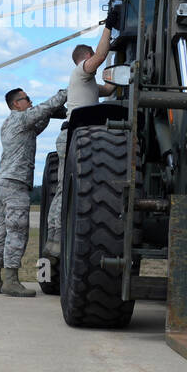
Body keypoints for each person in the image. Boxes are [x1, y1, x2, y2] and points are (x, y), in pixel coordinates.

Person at [43, 17, 118, 259]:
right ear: (86, 57)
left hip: (82, 137)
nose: (97, 54)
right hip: (72, 135)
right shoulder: (81, 71)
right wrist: (108, 28)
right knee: (64, 188)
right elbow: (99, 59)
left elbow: (110, 88)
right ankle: (54, 237)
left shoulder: (88, 83)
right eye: (93, 54)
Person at [0, 87, 66, 297]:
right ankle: (11, 281)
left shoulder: (10, 123)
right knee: (17, 233)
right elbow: (44, 108)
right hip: (15, 185)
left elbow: (39, 122)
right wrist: (69, 88)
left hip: (1, 183)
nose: (30, 102)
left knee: (1, 233)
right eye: (27, 99)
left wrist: (50, 114)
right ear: (16, 104)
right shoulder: (22, 119)